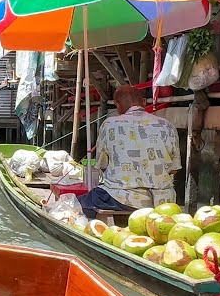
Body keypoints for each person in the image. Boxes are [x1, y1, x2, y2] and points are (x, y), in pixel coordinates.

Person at [78, 85, 181, 218]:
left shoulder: (110, 124)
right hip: (163, 203)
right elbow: (174, 169)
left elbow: (102, 164)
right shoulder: (167, 125)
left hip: (122, 199)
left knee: (79, 203)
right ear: (144, 102)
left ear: (117, 104)